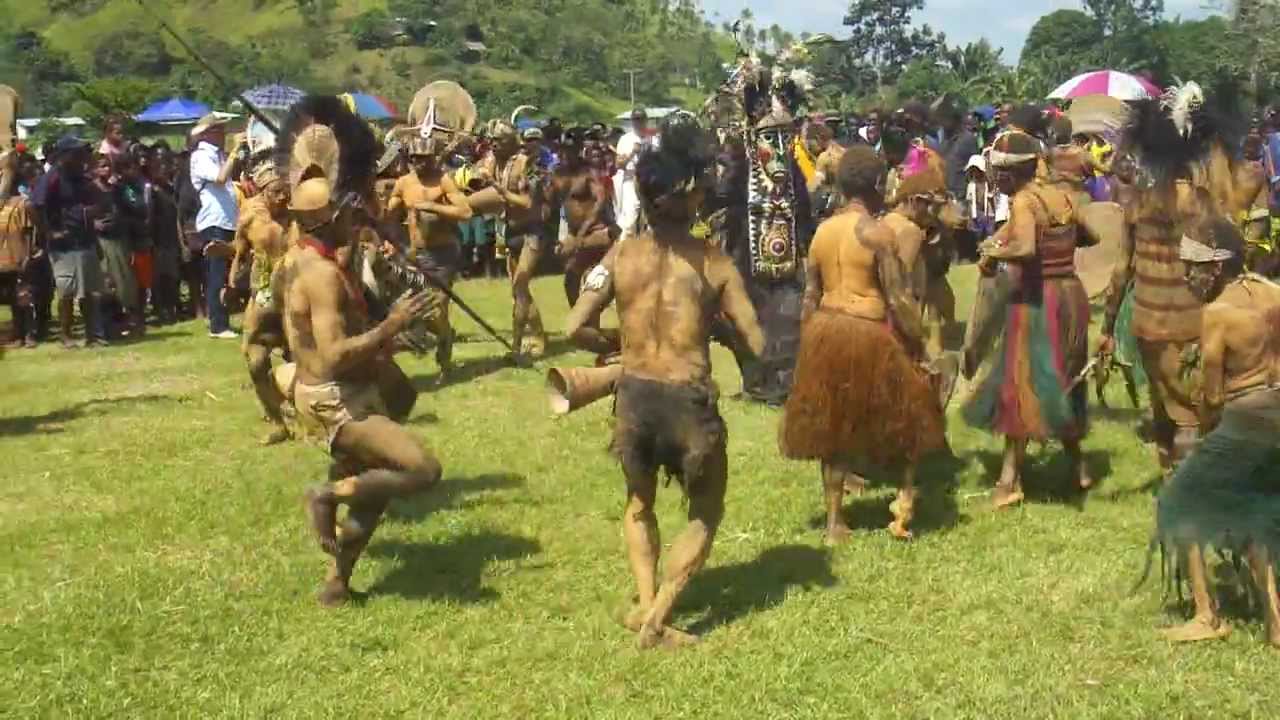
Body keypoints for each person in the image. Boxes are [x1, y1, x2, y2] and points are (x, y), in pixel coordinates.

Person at [564, 120, 764, 648]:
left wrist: (620, 341)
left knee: (638, 503)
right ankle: (656, 621)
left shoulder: (619, 255)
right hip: (687, 400)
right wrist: (721, 331)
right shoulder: (713, 262)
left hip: (633, 395)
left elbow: (573, 327)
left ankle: (646, 599)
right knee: (705, 512)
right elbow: (757, 343)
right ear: (694, 193)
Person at [281, 118, 441, 608]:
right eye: (344, 208)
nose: (354, 212)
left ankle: (337, 583)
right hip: (337, 399)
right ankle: (326, 495)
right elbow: (330, 356)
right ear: (324, 219)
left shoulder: (300, 260)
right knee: (422, 469)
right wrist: (388, 327)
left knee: (375, 489)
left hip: (333, 390)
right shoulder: (321, 275)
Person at [780, 146, 947, 542]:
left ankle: (835, 521)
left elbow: (810, 294)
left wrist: (808, 344)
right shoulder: (877, 232)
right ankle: (904, 497)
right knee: (905, 413)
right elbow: (898, 298)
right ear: (876, 184)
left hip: (825, 328)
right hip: (866, 331)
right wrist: (920, 345)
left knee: (832, 426)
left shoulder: (822, 231)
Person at [1148, 216, 1280, 648]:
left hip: (1244, 419)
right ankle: (1275, 623)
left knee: (1179, 503)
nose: (1186, 274)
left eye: (1193, 266)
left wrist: (1203, 435)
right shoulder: (1271, 292)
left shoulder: (1215, 315)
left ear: (1217, 266)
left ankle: (1207, 615)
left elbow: (1213, 397)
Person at [1099, 84, 1238, 473]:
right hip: (1190, 322)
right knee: (1191, 413)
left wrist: (1108, 326)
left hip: (1147, 322)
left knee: (1161, 403)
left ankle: (1168, 477)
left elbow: (1120, 270)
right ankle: (1186, 497)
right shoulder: (1201, 204)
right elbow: (1222, 267)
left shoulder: (1138, 202)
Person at [963, 130, 1093, 506]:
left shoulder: (1023, 200)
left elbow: (1024, 246)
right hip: (1071, 295)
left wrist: (992, 249)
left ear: (1008, 174)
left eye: (998, 175)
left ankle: (1009, 482)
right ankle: (1080, 468)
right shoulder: (1063, 196)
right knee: (1061, 380)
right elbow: (1092, 236)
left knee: (1022, 385)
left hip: (1038, 301)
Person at [386, 135, 474, 377]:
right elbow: (389, 215)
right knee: (414, 306)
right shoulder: (403, 182)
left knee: (438, 307)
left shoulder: (444, 180)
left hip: (444, 254)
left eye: (424, 158)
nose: (419, 163)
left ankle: (444, 359)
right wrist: (388, 239)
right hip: (415, 254)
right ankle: (443, 335)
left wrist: (434, 207)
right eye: (414, 159)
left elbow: (466, 212)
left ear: (433, 158)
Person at [231, 161, 292, 445]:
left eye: (286, 191)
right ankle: (278, 420)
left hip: (295, 295)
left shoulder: (299, 215)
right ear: (263, 191)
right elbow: (240, 247)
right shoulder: (250, 214)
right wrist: (232, 276)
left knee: (305, 358)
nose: (282, 198)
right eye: (276, 192)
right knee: (255, 361)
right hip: (263, 293)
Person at [480, 120, 546, 360]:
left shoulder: (526, 163)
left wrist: (499, 190)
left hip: (531, 231)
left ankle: (516, 346)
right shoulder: (492, 160)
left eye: (498, 141)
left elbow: (528, 203)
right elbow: (479, 175)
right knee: (519, 290)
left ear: (510, 142)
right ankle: (537, 335)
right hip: (509, 231)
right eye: (492, 141)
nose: (493, 145)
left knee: (519, 286)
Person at [31, 136, 106, 349]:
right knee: (67, 291)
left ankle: (94, 335)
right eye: (78, 153)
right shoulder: (52, 177)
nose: (83, 156)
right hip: (64, 246)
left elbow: (97, 199)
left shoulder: (80, 176)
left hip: (85, 240)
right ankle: (66, 335)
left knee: (91, 291)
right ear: (66, 156)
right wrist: (49, 233)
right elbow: (35, 206)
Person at [188, 113, 244, 339]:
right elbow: (220, 179)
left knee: (223, 274)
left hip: (225, 219)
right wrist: (234, 153)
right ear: (208, 134)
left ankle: (221, 319)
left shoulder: (217, 155)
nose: (224, 134)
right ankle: (218, 325)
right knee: (216, 275)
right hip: (214, 221)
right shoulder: (201, 156)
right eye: (219, 130)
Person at [549, 128, 616, 308]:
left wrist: (584, 231)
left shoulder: (588, 172)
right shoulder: (557, 174)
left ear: (578, 150)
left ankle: (588, 314)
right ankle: (579, 316)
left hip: (597, 230)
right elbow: (549, 204)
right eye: (563, 150)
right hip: (574, 233)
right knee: (570, 277)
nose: (565, 154)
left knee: (595, 274)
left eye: (570, 150)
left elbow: (601, 200)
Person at [149, 145, 182, 325]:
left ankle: (172, 307)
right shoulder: (151, 190)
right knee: (160, 278)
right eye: (159, 163)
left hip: (171, 238)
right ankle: (161, 310)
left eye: (166, 163)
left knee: (172, 277)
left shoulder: (170, 188)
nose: (163, 167)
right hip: (157, 240)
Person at [613, 108, 657, 239]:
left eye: (641, 119)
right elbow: (619, 165)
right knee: (630, 220)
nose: (639, 122)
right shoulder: (625, 139)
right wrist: (633, 152)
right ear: (632, 121)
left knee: (653, 222)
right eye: (636, 119)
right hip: (631, 180)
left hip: (651, 182)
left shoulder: (654, 140)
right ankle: (621, 250)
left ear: (646, 120)